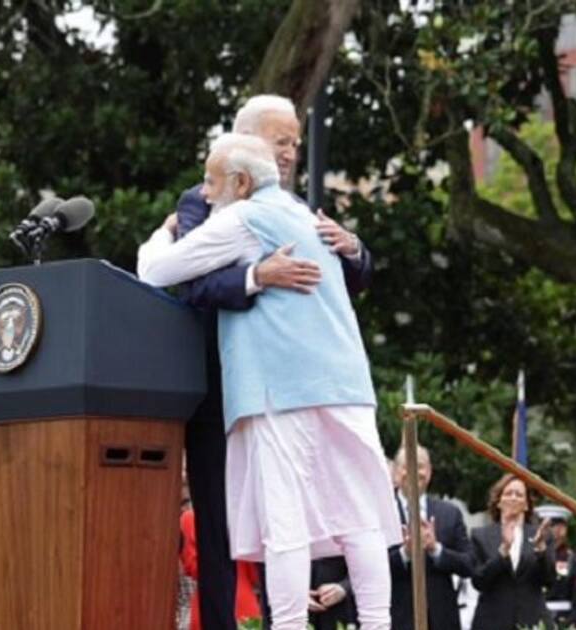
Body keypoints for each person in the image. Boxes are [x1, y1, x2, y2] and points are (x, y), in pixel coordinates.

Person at [138, 133, 398, 630]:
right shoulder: (306, 215)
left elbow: (155, 271)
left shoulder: (242, 217)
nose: (204, 193)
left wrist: (164, 230)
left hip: (279, 390)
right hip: (346, 384)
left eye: (211, 182)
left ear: (240, 182)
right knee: (361, 518)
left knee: (285, 523)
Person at [388, 445, 474, 630]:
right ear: (395, 472)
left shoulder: (450, 513)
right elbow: (371, 568)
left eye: (419, 466)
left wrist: (436, 549)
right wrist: (405, 553)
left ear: (429, 472)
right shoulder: (381, 512)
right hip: (396, 619)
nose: (414, 472)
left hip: (441, 620)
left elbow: (469, 564)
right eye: (407, 466)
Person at [469, 473, 553, 630]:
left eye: (519, 495)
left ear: (526, 505)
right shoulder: (480, 536)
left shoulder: (540, 535)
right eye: (508, 493)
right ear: (498, 502)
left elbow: (549, 579)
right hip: (492, 622)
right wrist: (503, 551)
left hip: (532, 621)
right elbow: (478, 581)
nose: (513, 498)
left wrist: (541, 549)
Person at [533, 505, 576, 628]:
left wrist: (569, 625)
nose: (545, 530)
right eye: (543, 526)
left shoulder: (575, 560)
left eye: (551, 526)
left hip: (563, 620)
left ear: (563, 529)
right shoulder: (529, 556)